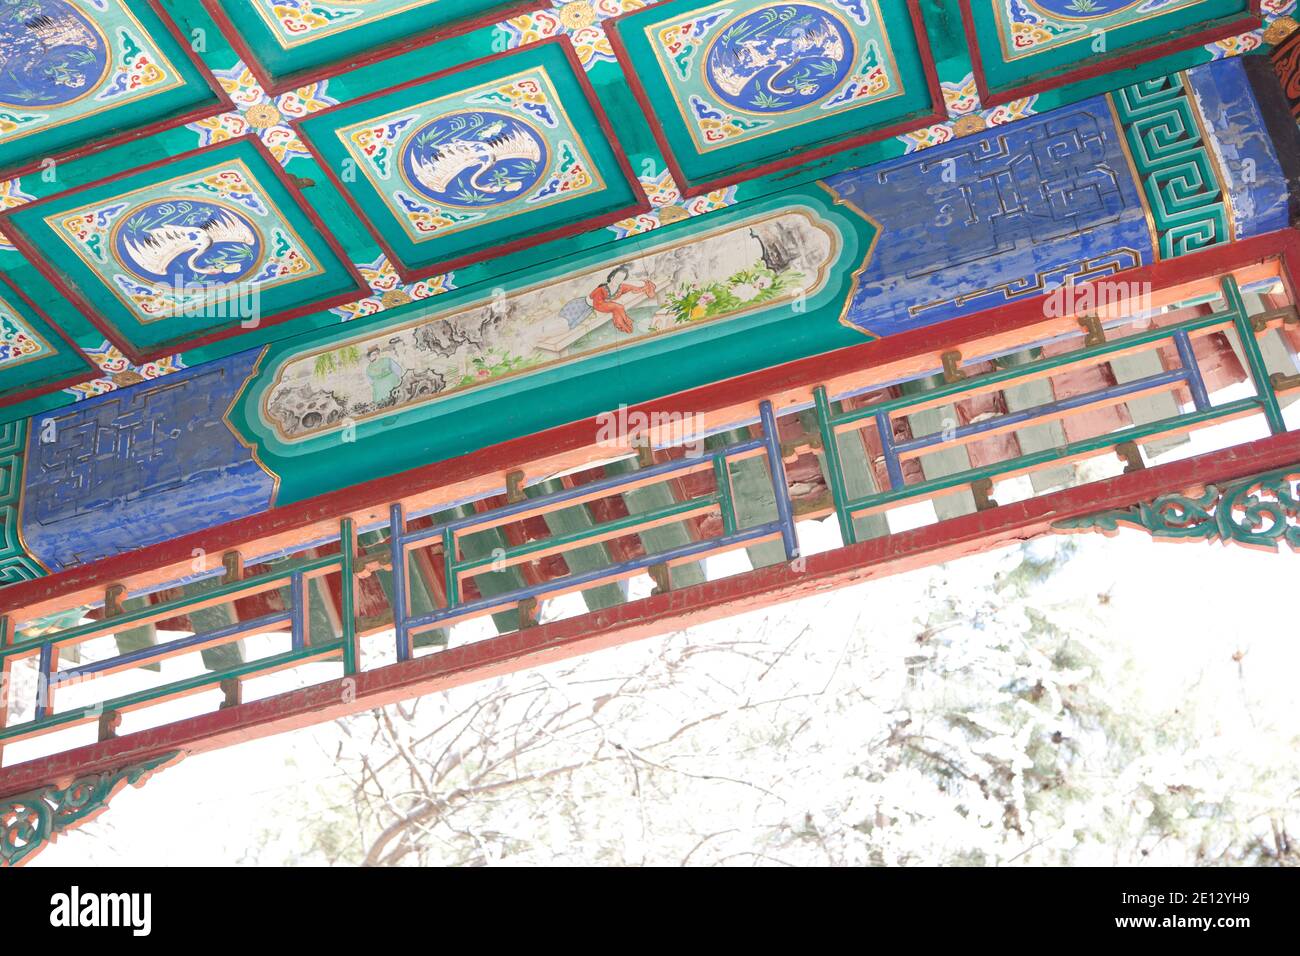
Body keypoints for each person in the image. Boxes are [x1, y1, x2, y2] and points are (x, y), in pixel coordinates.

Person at [589, 266, 656, 334]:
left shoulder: (621, 287)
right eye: (617, 278)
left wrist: (645, 286)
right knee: (619, 307)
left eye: (621, 279)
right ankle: (627, 322)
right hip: (599, 304)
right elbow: (591, 295)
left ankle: (624, 326)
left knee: (617, 309)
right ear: (612, 277)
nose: (619, 280)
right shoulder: (602, 288)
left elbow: (633, 288)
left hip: (609, 305)